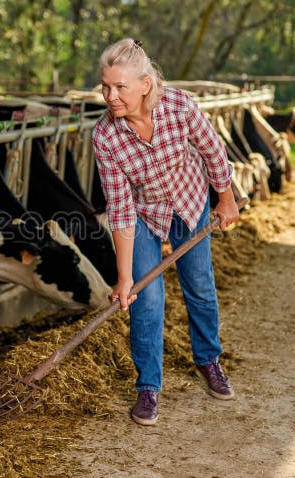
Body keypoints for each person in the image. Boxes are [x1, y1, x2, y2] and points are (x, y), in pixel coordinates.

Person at [91, 38, 240, 426]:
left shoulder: (179, 106)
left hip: (190, 200)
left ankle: (209, 360)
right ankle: (148, 387)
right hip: (144, 212)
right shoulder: (105, 136)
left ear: (145, 83)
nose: (110, 96)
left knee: (200, 286)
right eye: (105, 86)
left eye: (119, 87)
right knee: (145, 297)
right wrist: (125, 279)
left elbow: (212, 151)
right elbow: (120, 209)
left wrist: (225, 199)